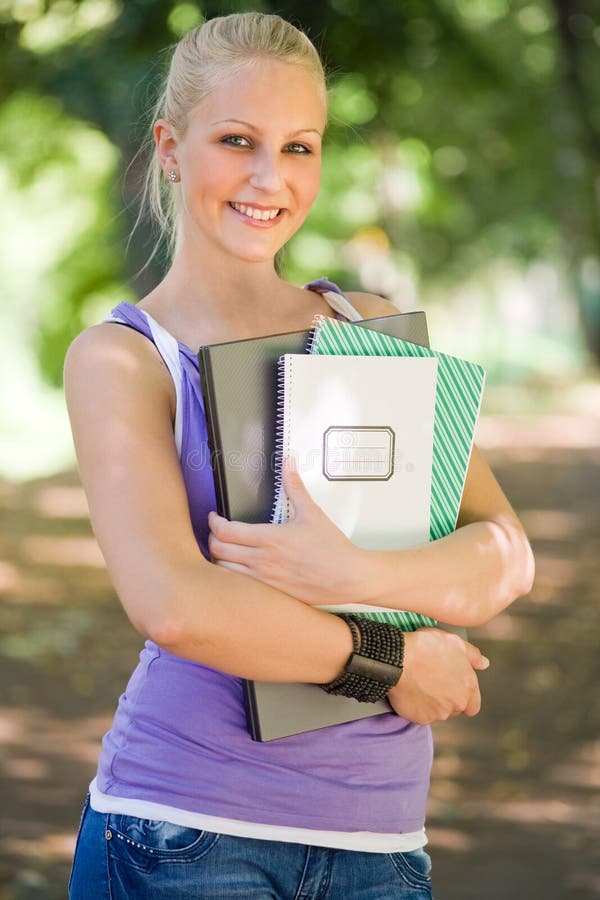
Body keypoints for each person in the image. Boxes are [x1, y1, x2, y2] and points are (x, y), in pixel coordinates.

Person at [64, 12, 534, 899]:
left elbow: (501, 556)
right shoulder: (125, 357)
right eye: (237, 141)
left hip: (383, 843)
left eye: (300, 147)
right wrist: (395, 662)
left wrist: (347, 569)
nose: (269, 178)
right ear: (170, 148)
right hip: (188, 835)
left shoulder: (363, 323)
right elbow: (179, 606)